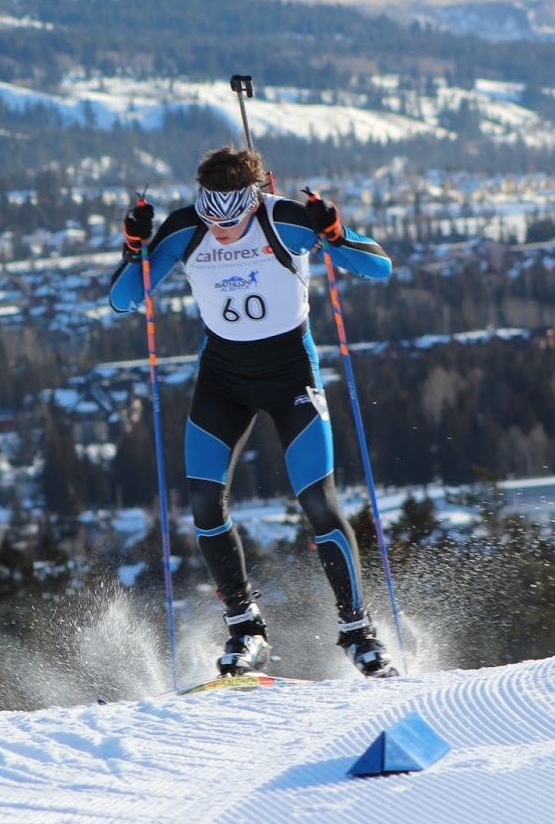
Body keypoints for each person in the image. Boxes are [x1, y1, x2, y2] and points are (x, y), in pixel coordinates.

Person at [108, 145, 396, 678]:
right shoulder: (185, 228)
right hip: (224, 379)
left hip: (291, 374)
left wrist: (334, 234)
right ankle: (246, 627)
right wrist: (134, 250)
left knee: (318, 500)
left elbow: (378, 267)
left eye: (232, 219)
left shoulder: (284, 220)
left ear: (254, 199)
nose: (219, 230)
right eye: (210, 217)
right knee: (203, 501)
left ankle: (358, 631)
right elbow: (126, 300)